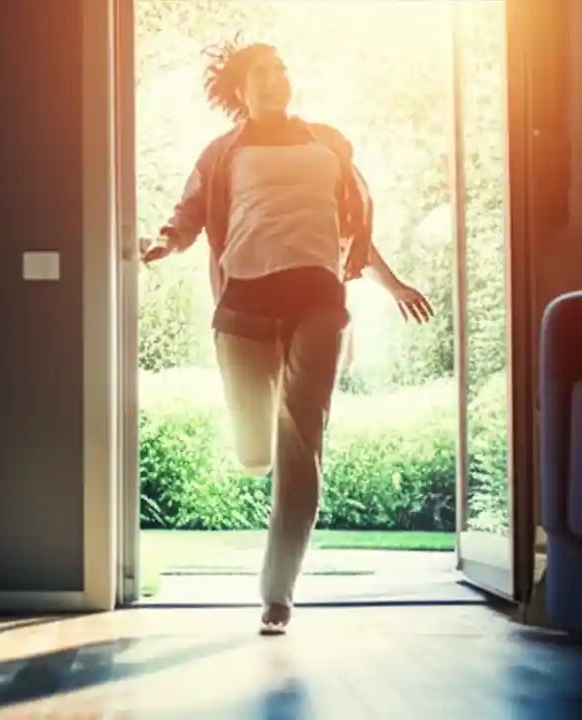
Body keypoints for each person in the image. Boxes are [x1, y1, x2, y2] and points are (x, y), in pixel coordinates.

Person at [139, 38, 434, 635]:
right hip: (244, 304)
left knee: (301, 448)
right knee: (256, 454)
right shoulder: (223, 152)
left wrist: (392, 283)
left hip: (319, 302)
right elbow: (191, 211)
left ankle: (279, 595)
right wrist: (165, 243)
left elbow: (352, 226)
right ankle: (262, 452)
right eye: (261, 73)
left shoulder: (328, 143)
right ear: (240, 91)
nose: (275, 79)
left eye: (281, 69)